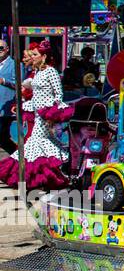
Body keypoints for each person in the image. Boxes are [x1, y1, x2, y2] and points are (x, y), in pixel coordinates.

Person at [0, 41, 70, 189]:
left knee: (35, 143)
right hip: (38, 113)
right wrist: (22, 107)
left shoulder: (51, 71)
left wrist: (53, 113)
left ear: (43, 56)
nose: (32, 57)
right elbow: (37, 97)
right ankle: (52, 172)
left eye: (35, 55)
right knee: (40, 144)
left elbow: (58, 94)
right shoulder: (38, 72)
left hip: (46, 114)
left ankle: (32, 176)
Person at [0, 40, 15, 154]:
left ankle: (17, 156)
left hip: (7, 107)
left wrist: (4, 81)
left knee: (2, 137)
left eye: (1, 48)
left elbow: (20, 85)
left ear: (7, 49)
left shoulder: (15, 64)